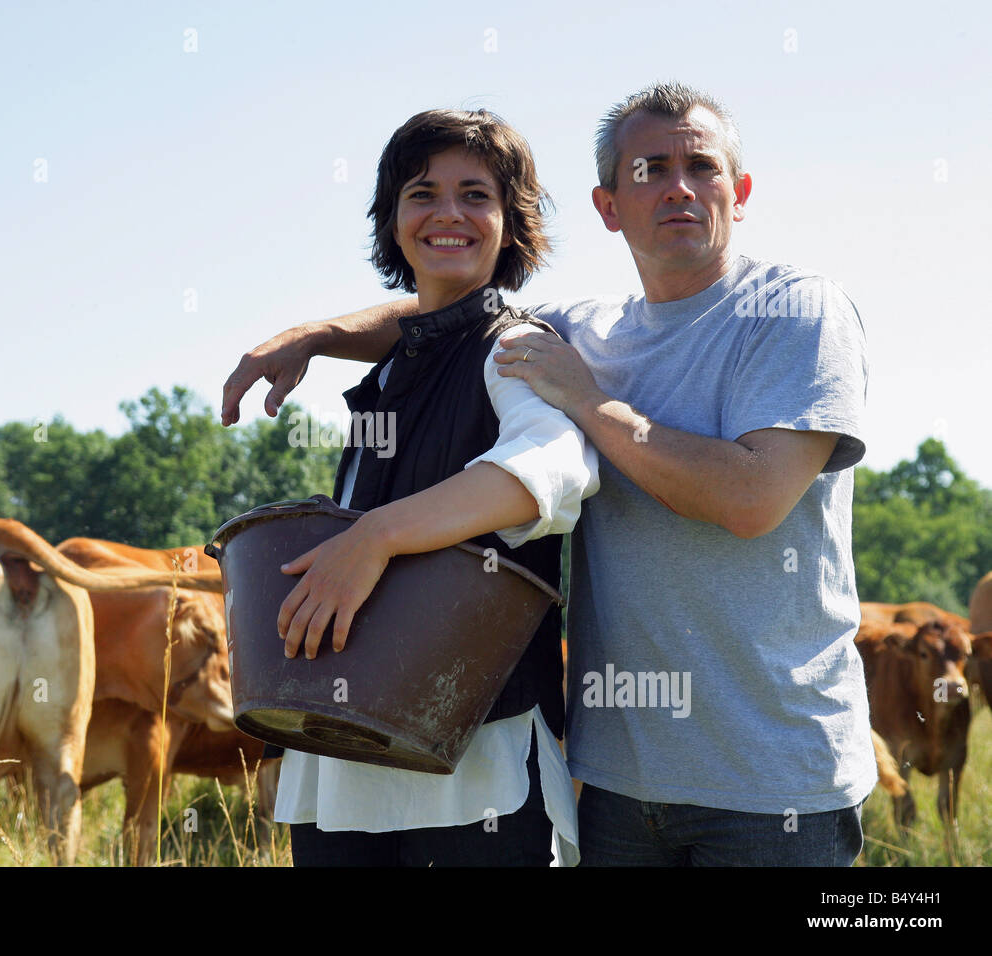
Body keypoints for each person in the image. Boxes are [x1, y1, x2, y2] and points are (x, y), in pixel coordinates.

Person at [223, 82, 875, 866]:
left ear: (738, 192)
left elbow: (750, 499)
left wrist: (589, 404)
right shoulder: (579, 333)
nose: (677, 187)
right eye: (649, 170)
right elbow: (447, 317)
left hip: (771, 776)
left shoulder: (793, 312)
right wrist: (316, 336)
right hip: (618, 777)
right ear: (607, 205)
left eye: (701, 167)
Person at [260, 108, 599, 867]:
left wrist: (374, 536)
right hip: (345, 762)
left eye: (476, 195)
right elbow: (418, 320)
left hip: (476, 764)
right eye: (422, 193)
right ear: (392, 220)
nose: (448, 213)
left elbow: (549, 474)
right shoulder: (388, 368)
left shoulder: (515, 346)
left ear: (512, 224)